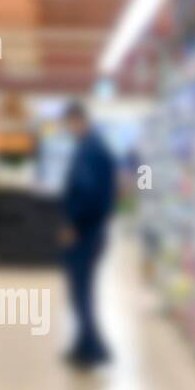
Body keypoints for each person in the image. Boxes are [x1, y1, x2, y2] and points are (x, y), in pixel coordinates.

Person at [59, 101, 116, 369]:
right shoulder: (96, 146)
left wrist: (72, 223)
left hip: (85, 232)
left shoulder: (89, 150)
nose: (68, 130)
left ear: (78, 120)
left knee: (80, 291)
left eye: (69, 124)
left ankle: (93, 349)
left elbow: (87, 192)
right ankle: (84, 345)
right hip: (95, 230)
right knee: (82, 290)